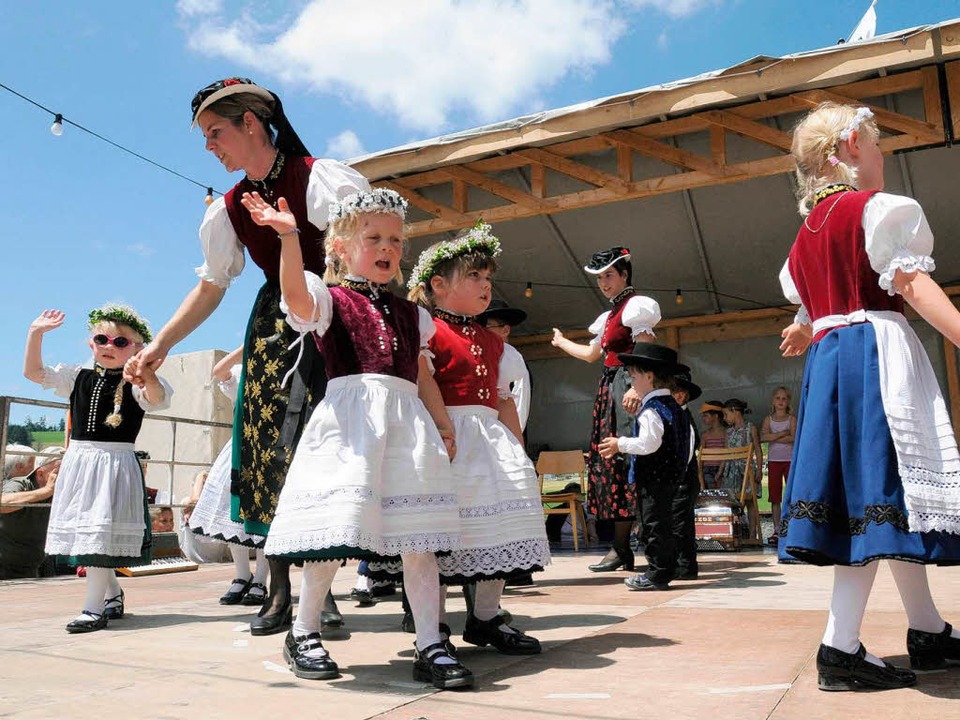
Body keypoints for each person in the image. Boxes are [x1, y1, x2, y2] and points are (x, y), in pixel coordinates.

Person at [125, 77, 366, 636]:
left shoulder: (320, 178)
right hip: (273, 329)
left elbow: (358, 253)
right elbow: (211, 286)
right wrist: (160, 345)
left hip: (332, 319)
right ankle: (279, 589)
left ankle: (324, 588)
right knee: (268, 454)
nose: (209, 146)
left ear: (251, 123)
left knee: (325, 452)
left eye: (215, 132)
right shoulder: (229, 208)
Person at [241, 186, 473, 689]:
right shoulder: (331, 300)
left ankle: (431, 641)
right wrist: (288, 239)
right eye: (374, 238)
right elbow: (295, 299)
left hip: (407, 427)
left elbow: (421, 373)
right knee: (333, 534)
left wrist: (442, 423)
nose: (387, 247)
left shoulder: (413, 315)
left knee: (419, 540)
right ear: (341, 249)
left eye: (395, 239)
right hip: (349, 429)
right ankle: (303, 631)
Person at [778, 102, 960, 691]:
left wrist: (805, 326)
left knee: (888, 495)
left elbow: (813, 300)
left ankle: (927, 630)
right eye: (878, 145)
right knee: (874, 495)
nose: (883, 156)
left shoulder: (806, 233)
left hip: (834, 359)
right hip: (874, 357)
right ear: (852, 144)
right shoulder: (875, 210)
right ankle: (839, 646)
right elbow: (911, 282)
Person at [407, 222, 550, 655]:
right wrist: (438, 433)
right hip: (446, 436)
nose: (485, 285)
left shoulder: (495, 342)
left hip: (489, 439)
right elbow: (421, 386)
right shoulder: (427, 331)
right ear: (439, 285)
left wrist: (518, 452)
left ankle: (486, 616)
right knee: (443, 531)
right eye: (474, 276)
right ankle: (433, 627)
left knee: (500, 524)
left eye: (488, 277)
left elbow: (504, 399)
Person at [24, 305, 171, 633]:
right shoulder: (77, 376)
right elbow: (33, 373)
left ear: (136, 348)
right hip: (80, 462)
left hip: (114, 465)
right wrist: (36, 333)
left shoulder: (136, 382)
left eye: (120, 342)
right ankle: (112, 594)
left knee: (99, 538)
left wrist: (146, 372)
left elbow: (158, 399)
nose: (109, 346)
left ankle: (93, 609)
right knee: (90, 536)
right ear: (91, 343)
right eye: (102, 339)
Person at [551, 247, 661, 572]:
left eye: (609, 276)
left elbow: (646, 346)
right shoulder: (609, 317)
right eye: (599, 278)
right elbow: (591, 354)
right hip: (609, 390)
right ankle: (620, 547)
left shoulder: (636, 307)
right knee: (610, 464)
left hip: (626, 385)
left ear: (625, 275)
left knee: (627, 460)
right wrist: (561, 342)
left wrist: (636, 387)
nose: (603, 283)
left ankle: (629, 546)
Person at [599, 343, 691, 591]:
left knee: (654, 525)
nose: (631, 382)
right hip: (669, 477)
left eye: (634, 376)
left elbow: (649, 443)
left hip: (654, 479)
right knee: (664, 524)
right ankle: (666, 568)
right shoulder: (674, 407)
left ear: (649, 377)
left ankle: (657, 573)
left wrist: (620, 444)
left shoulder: (652, 409)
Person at [185, 347, 268, 607]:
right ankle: (242, 575)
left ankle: (261, 579)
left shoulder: (279, 372)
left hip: (269, 450)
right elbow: (219, 370)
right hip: (240, 449)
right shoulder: (242, 372)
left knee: (264, 516)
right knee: (232, 514)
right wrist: (248, 345)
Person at [0, 448, 65, 579]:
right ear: (40, 474)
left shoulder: (60, 493)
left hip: (30, 569)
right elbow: (3, 503)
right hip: (4, 568)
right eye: (60, 473)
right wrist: (46, 491)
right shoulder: (20, 484)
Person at [671, 370, 702, 580]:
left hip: (683, 481)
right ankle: (681, 564)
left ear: (681, 395)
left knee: (681, 525)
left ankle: (686, 566)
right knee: (678, 524)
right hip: (679, 481)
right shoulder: (675, 416)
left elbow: (686, 453)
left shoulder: (684, 420)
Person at [719, 398, 763, 540]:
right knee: (732, 501)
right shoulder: (728, 432)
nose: (724, 418)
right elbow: (726, 453)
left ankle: (752, 534)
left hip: (746, 470)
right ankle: (735, 533)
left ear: (735, 411)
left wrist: (759, 469)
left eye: (726, 414)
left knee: (750, 502)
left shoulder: (751, 428)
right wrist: (720, 471)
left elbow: (758, 449)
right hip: (731, 472)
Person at [761, 386, 796, 546]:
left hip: (789, 460)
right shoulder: (768, 419)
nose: (781, 401)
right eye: (778, 398)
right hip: (774, 460)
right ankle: (777, 529)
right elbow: (763, 437)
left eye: (784, 399)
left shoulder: (791, 419)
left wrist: (773, 437)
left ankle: (792, 527)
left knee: (791, 494)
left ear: (788, 402)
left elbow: (793, 438)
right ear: (773, 401)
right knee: (775, 496)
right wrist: (783, 433)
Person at [697, 401, 726, 489]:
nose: (703, 418)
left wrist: (720, 471)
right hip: (707, 469)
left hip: (723, 468)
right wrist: (700, 473)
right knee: (710, 493)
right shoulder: (705, 435)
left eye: (706, 415)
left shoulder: (727, 433)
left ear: (716, 416)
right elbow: (701, 456)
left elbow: (727, 454)